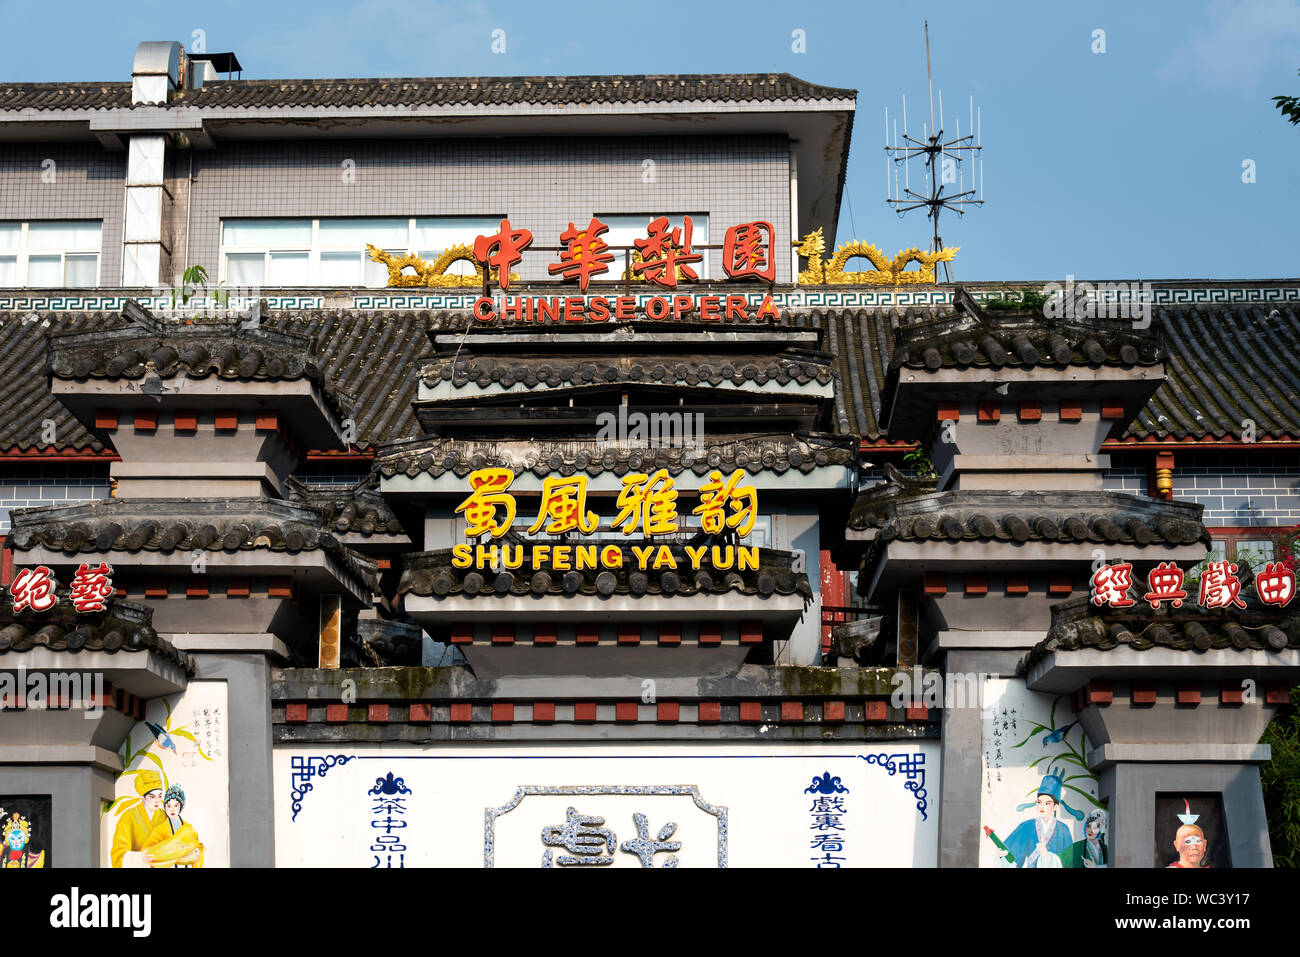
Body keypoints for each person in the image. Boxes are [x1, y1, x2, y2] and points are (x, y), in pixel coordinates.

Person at [1001, 767, 1085, 868]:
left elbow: (1069, 860)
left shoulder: (1063, 829)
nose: (1042, 806)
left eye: (1047, 803)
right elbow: (1013, 851)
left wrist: (1048, 857)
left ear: (1055, 806)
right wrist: (1005, 855)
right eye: (1039, 802)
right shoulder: (1026, 826)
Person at [141, 784, 204, 868]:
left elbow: (198, 853)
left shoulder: (190, 830)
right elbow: (147, 852)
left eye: (176, 806)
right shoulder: (159, 830)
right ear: (165, 807)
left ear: (180, 806)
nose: (172, 809)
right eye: (169, 806)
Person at [111, 770, 165, 868]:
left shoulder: (164, 816)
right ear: (143, 797)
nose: (157, 800)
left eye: (160, 796)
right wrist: (138, 858)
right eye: (152, 797)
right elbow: (118, 853)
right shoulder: (128, 816)